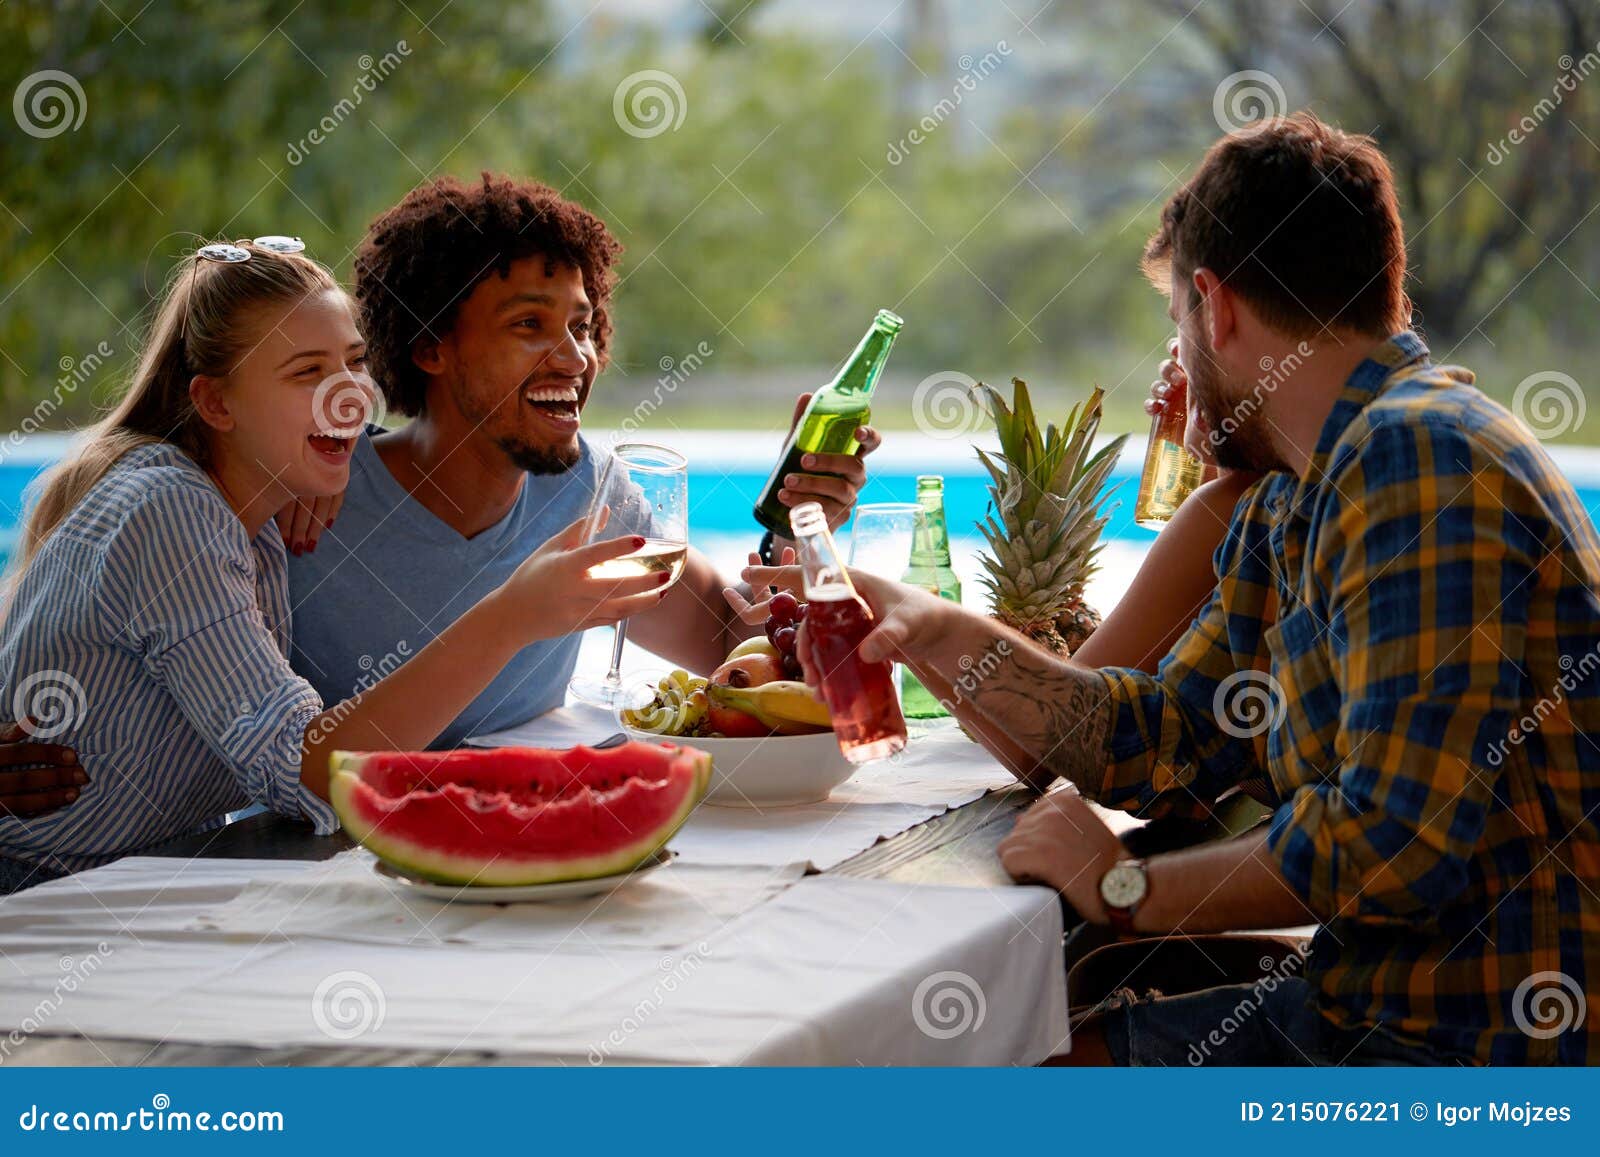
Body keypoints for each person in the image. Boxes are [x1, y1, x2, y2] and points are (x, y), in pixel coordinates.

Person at [755, 112, 1600, 1065]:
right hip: (1368, 1007)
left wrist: (1128, 890)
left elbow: (1393, 840)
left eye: (1177, 325)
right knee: (1010, 1041)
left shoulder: (1418, 456)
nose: (1182, 364)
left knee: (983, 1077)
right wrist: (938, 631)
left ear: (1217, 305)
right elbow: (1158, 739)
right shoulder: (1294, 491)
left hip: (1478, 1057)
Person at [0, 240, 664, 892]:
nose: (347, 399)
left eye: (353, 364)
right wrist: (511, 616)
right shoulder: (169, 510)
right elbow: (305, 769)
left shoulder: (258, 515)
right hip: (42, 897)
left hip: (141, 886)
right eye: (307, 372)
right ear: (216, 404)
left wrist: (317, 473)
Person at [280, 174, 879, 747]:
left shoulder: (591, 494)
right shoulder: (307, 496)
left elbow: (729, 642)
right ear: (431, 346)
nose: (574, 358)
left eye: (581, 325)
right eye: (528, 324)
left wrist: (797, 523)